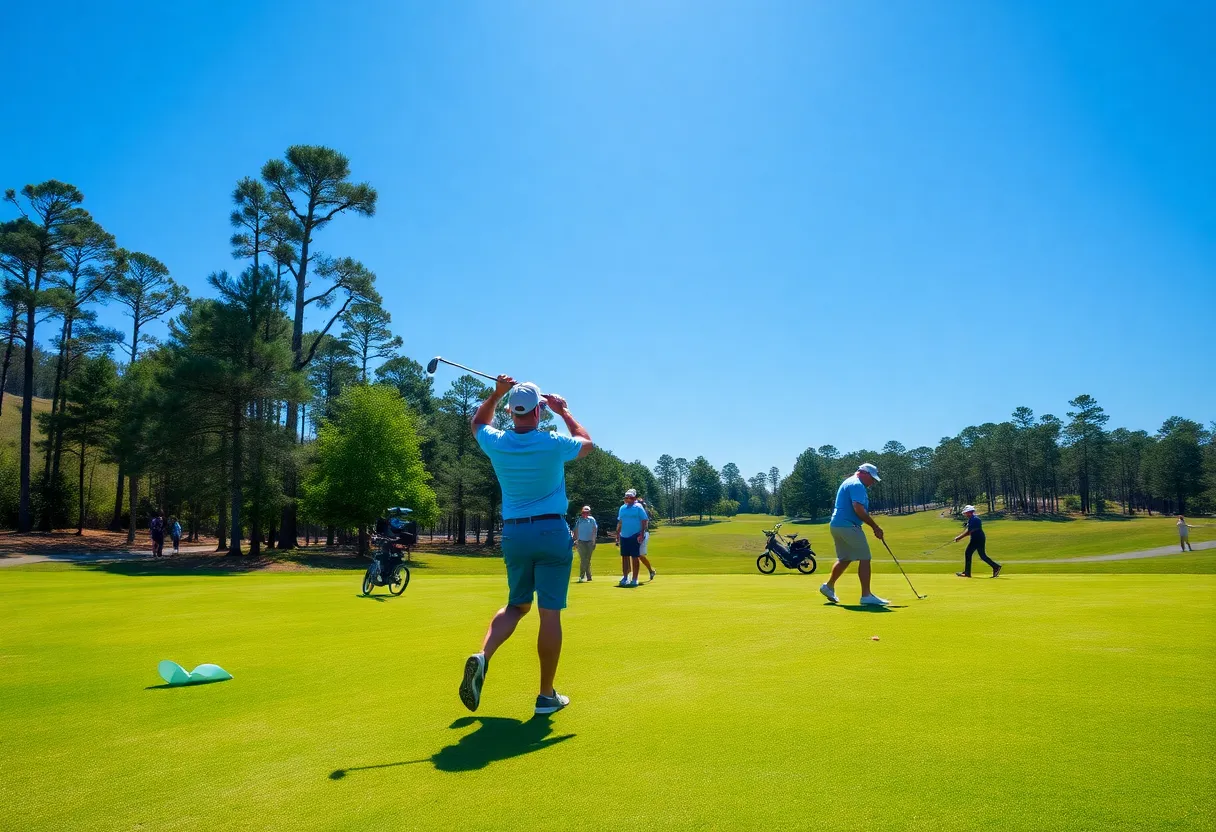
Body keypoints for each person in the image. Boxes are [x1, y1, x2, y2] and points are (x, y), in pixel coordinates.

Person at [460, 376, 592, 716]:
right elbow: (586, 442)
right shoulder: (551, 442)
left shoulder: (497, 442)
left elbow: (477, 422)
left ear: (510, 412)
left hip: (515, 535)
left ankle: (483, 657)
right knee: (549, 614)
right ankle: (546, 696)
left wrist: (496, 394)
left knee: (517, 606)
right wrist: (563, 411)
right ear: (538, 412)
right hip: (550, 531)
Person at [819, 463, 889, 605]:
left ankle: (828, 586)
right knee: (865, 557)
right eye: (872, 479)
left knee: (845, 558)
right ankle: (866, 596)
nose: (873, 483)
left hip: (836, 525)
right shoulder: (857, 485)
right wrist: (875, 527)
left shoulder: (848, 482)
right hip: (848, 525)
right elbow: (858, 508)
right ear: (864, 473)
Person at [953, 505, 1001, 577]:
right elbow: (969, 531)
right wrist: (960, 537)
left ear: (969, 512)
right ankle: (996, 567)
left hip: (977, 539)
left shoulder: (975, 519)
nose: (965, 514)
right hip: (978, 538)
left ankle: (967, 573)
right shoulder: (971, 519)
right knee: (982, 556)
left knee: (968, 553)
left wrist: (959, 537)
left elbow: (969, 531)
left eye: (966, 513)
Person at [616, 489, 649, 586]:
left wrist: (642, 533)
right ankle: (625, 577)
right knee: (624, 557)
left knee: (635, 557)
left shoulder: (638, 507)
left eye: (628, 497)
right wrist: (617, 534)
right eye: (625, 497)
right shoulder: (622, 508)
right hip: (624, 535)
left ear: (633, 498)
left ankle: (635, 579)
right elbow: (620, 522)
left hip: (635, 535)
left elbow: (644, 520)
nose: (626, 499)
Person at [572, 506, 598, 582]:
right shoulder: (579, 520)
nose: (585, 514)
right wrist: (575, 540)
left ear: (589, 513)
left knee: (588, 559)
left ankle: (588, 576)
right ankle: (582, 576)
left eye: (587, 512)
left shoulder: (592, 519)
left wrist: (594, 541)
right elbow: (575, 530)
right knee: (583, 559)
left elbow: (594, 530)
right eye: (583, 512)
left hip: (590, 541)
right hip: (581, 541)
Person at [637, 498, 656, 581]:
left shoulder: (644, 512)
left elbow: (644, 525)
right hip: (636, 534)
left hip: (643, 534)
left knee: (640, 555)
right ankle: (634, 575)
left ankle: (651, 571)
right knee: (637, 555)